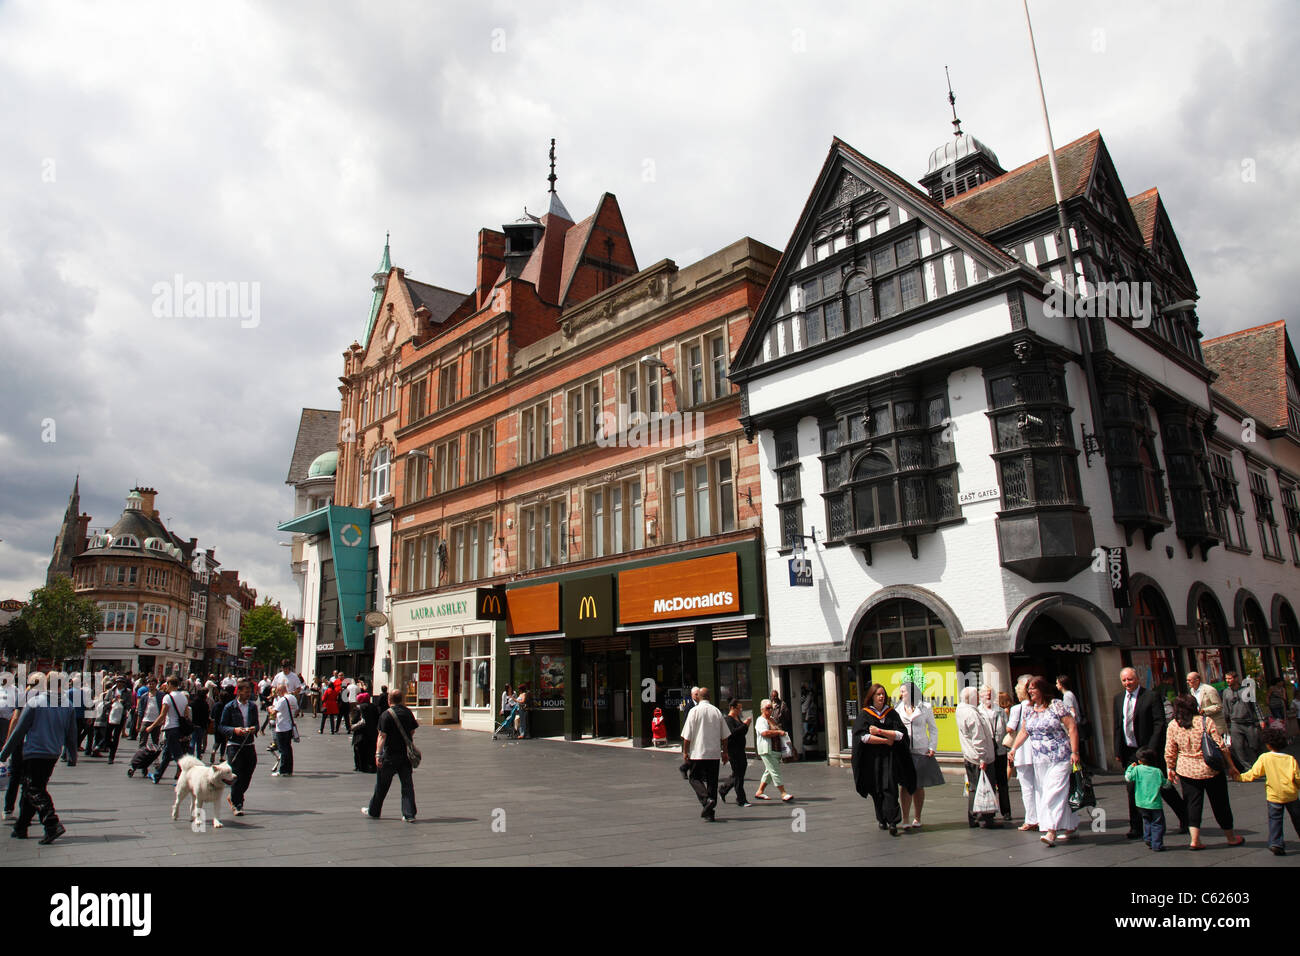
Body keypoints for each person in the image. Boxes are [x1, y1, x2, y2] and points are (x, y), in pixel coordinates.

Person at [0, 674, 77, 844]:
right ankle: (21, 827)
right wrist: (72, 754)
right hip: (53, 752)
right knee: (33, 788)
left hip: (34, 751)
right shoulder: (68, 705)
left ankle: (51, 822)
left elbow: (19, 730)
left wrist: (4, 753)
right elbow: (72, 734)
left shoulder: (35, 702)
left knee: (33, 789)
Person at [1113, 666, 1188, 838]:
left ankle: (1186, 817)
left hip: (1148, 751)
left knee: (1163, 786)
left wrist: (1151, 749)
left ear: (1137, 679)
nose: (1127, 683)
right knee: (1132, 788)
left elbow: (1159, 723)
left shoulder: (1151, 696)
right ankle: (1136, 827)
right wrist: (1118, 749)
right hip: (1130, 751)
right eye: (1124, 680)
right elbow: (1118, 725)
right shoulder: (1118, 699)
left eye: (1130, 679)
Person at [1165, 693, 1243, 850]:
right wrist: (1231, 766)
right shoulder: (1205, 721)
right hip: (1210, 769)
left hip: (1186, 770)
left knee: (1192, 804)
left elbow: (1170, 749)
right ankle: (1230, 837)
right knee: (1220, 803)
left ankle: (1194, 840)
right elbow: (1221, 745)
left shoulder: (1174, 725)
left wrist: (1170, 768)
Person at [1008, 675, 1079, 846]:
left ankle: (1051, 831)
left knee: (1052, 792)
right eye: (1029, 689)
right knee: (1051, 792)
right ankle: (1071, 825)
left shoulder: (1056, 705)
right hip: (1040, 759)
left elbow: (1072, 727)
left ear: (1042, 689)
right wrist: (1014, 748)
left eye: (1033, 688)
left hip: (1060, 756)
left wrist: (1075, 752)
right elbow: (1024, 731)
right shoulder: (1029, 709)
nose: (1030, 691)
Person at [851, 683, 915, 835]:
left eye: (883, 694)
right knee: (876, 789)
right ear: (871, 696)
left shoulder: (891, 714)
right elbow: (863, 737)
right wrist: (886, 740)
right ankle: (882, 818)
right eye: (878, 694)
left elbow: (901, 734)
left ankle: (893, 821)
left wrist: (881, 731)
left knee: (890, 787)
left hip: (890, 757)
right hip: (872, 759)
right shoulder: (865, 715)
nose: (881, 697)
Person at [1239, 727, 1300, 855]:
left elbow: (1253, 774)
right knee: (1297, 818)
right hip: (1291, 794)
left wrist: (1238, 777)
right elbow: (1298, 778)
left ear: (1267, 744)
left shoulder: (1265, 758)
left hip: (1274, 796)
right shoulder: (1290, 759)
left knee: (1275, 820)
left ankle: (1276, 843)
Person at [364, 687, 418, 821]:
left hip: (389, 755)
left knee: (382, 785)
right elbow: (412, 732)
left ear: (389, 700)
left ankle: (374, 811)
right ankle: (409, 814)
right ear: (402, 699)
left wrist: (378, 754)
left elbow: (382, 736)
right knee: (407, 786)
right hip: (404, 755)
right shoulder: (408, 713)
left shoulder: (386, 715)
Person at [679, 686, 730, 821]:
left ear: (699, 697)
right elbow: (725, 736)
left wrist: (685, 752)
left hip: (698, 753)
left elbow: (687, 736)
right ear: (710, 697)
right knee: (712, 781)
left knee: (694, 778)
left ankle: (706, 800)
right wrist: (725, 752)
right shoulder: (717, 711)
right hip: (713, 753)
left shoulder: (694, 711)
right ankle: (710, 811)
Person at [897, 680, 942, 830]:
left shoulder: (926, 707)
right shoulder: (898, 709)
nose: (901, 694)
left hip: (921, 750)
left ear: (911, 692)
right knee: (904, 785)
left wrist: (932, 746)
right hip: (905, 752)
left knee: (918, 786)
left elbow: (933, 729)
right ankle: (905, 818)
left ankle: (918, 817)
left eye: (903, 691)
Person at [956, 686, 1002, 829]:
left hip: (970, 755)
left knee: (974, 788)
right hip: (978, 757)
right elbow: (978, 737)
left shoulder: (962, 710)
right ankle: (985, 817)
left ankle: (974, 817)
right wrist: (982, 757)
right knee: (983, 787)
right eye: (977, 695)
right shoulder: (971, 714)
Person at [219, 679, 260, 816]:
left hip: (249, 744)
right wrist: (234, 730)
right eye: (246, 692)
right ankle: (237, 804)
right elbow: (222, 726)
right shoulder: (230, 707)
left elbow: (256, 724)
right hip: (234, 745)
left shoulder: (252, 707)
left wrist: (254, 728)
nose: (249, 694)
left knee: (248, 772)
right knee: (237, 774)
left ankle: (234, 796)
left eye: (250, 692)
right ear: (239, 692)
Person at [1125, 747, 1175, 851]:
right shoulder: (1157, 772)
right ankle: (1157, 844)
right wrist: (1170, 780)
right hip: (1155, 804)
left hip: (1141, 803)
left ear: (1139, 761)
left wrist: (1130, 767)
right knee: (1157, 824)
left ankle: (1148, 839)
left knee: (1147, 821)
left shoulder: (1137, 769)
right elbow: (1166, 785)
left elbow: (1128, 777)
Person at [146, 675, 190, 784]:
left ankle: (186, 779)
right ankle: (157, 776)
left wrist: (152, 726)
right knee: (166, 755)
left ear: (170, 684)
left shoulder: (168, 697)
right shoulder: (184, 697)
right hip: (179, 729)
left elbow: (162, 715)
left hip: (171, 728)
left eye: (167, 684)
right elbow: (186, 714)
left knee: (178, 756)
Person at [1006, 676, 1037, 830]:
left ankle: (1031, 819)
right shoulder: (1038, 706)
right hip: (1037, 752)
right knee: (1040, 787)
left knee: (1027, 788)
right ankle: (1042, 817)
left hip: (1022, 751)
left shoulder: (1017, 709)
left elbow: (1010, 729)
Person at [979, 685, 1012, 822]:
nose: (988, 697)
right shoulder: (978, 711)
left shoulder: (1000, 711)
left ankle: (1006, 811)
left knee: (1002, 781)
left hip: (1000, 750)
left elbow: (1007, 728)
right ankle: (990, 811)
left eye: (990, 695)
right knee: (989, 782)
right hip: (987, 752)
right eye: (985, 695)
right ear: (980, 696)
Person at [752, 698, 792, 802]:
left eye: (771, 708)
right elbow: (764, 733)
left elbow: (778, 729)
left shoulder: (772, 719)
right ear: (762, 709)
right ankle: (783, 793)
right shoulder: (761, 720)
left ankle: (760, 791)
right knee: (775, 771)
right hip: (767, 750)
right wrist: (778, 733)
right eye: (767, 708)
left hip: (776, 749)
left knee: (769, 771)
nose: (770, 710)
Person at [1222, 671, 1264, 769]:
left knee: (1255, 745)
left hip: (1249, 722)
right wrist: (1225, 724)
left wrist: (1261, 719)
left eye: (1230, 678)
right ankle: (1248, 768)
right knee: (1238, 748)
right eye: (1226, 679)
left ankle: (1260, 766)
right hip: (1235, 723)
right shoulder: (1226, 692)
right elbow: (1225, 709)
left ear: (1236, 679)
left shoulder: (1247, 690)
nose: (1227, 681)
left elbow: (1255, 706)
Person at [718, 698, 752, 808]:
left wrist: (746, 725)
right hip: (733, 750)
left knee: (738, 773)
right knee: (738, 775)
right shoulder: (728, 720)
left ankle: (723, 789)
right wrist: (745, 725)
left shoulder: (737, 718)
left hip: (740, 749)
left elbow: (742, 732)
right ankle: (741, 799)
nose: (740, 711)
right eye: (739, 708)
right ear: (732, 708)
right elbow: (733, 733)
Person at [268, 684, 300, 777]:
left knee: (283, 750)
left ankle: (283, 770)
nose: (277, 693)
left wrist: (269, 709)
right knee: (288, 749)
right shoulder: (293, 698)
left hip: (282, 727)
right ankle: (289, 769)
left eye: (278, 691)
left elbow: (274, 712)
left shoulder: (282, 700)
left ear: (280, 690)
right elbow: (297, 710)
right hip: (289, 726)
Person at [1186, 672, 1226, 737]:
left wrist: (1204, 710)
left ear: (1197, 680)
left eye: (1189, 680)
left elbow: (1218, 706)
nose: (1187, 682)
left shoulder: (1209, 690)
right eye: (1187, 680)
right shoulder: (1192, 691)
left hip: (1215, 724)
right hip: (1203, 725)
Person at [352, 691, 379, 773]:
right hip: (373, 732)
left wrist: (353, 725)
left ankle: (360, 766)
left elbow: (355, 720)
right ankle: (372, 765)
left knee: (359, 750)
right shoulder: (374, 707)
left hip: (361, 733)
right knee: (371, 749)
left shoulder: (359, 708)